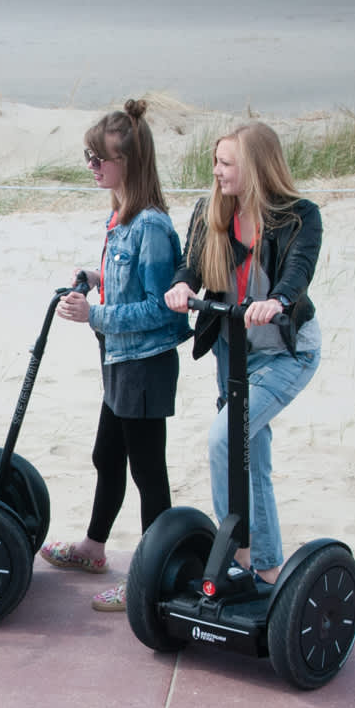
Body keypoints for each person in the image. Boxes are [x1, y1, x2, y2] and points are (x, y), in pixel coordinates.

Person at [41, 99, 191, 613]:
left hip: (144, 365)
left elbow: (165, 312)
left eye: (98, 158)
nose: (92, 167)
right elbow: (134, 288)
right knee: (107, 458)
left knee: (150, 474)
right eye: (88, 156)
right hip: (120, 362)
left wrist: (95, 315)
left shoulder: (150, 226)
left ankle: (152, 579)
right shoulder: (120, 218)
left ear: (128, 162)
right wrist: (99, 279)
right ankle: (93, 548)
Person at [163, 121, 323, 584]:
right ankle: (268, 568)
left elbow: (298, 269)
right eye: (215, 161)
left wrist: (279, 301)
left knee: (224, 440)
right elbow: (189, 266)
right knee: (249, 455)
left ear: (255, 168)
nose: (216, 171)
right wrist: (181, 286)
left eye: (226, 163)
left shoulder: (299, 216)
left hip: (286, 355)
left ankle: (237, 552)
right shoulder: (210, 211)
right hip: (232, 353)